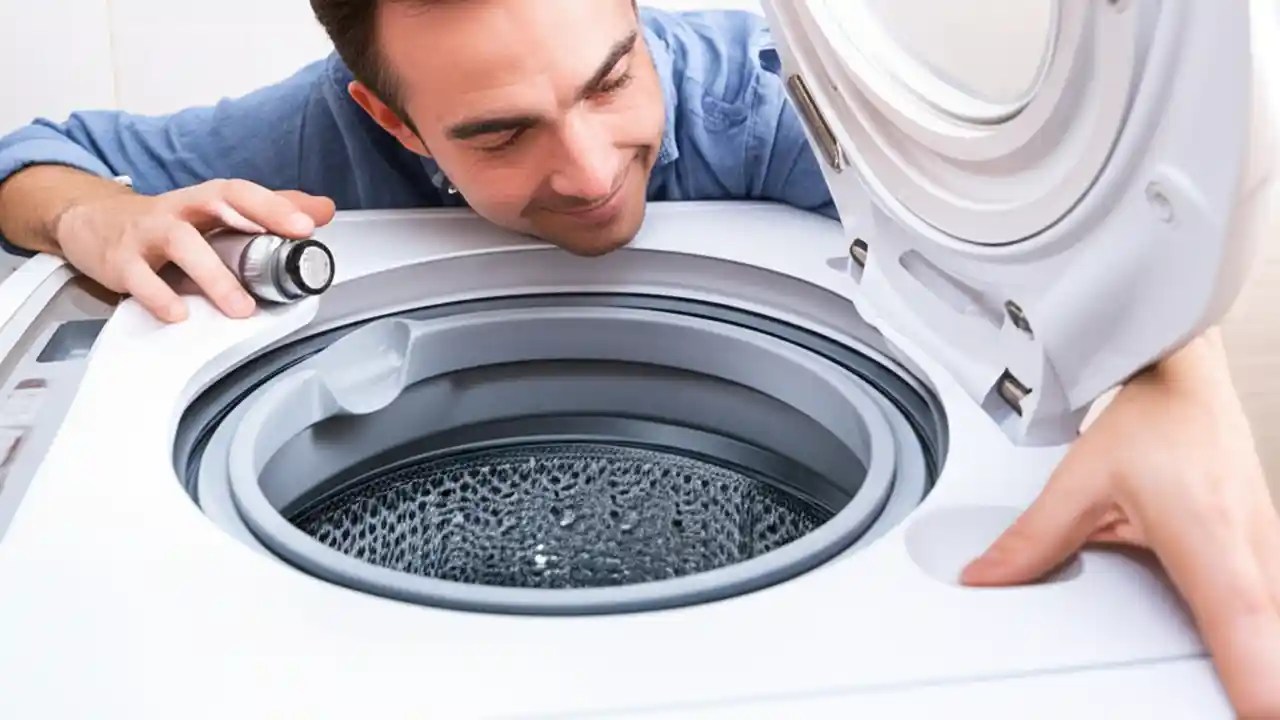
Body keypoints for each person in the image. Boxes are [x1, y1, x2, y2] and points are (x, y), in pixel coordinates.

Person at [0, 1, 1276, 713]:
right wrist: (86, 213)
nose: (592, 168)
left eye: (611, 77)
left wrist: (1180, 378)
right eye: (497, 137)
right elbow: (31, 152)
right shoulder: (313, 138)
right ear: (391, 120)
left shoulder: (758, 105)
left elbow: (1051, 251)